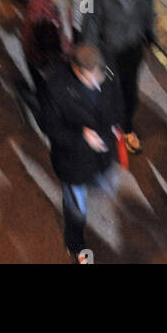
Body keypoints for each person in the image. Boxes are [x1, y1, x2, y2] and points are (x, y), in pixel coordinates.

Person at [40, 43, 122, 263]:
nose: (97, 84)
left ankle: (95, 184)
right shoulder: (56, 88)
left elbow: (116, 99)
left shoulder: (107, 69)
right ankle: (75, 244)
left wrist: (115, 123)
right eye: (91, 78)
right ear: (77, 70)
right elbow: (50, 127)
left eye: (99, 77)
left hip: (102, 153)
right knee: (77, 209)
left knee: (105, 183)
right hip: (73, 161)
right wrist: (81, 137)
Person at [92, 0, 155, 154]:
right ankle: (103, 127)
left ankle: (127, 128)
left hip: (132, 53)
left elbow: (148, 18)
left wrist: (149, 37)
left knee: (130, 95)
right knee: (107, 92)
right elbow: (91, 24)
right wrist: (90, 52)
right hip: (108, 53)